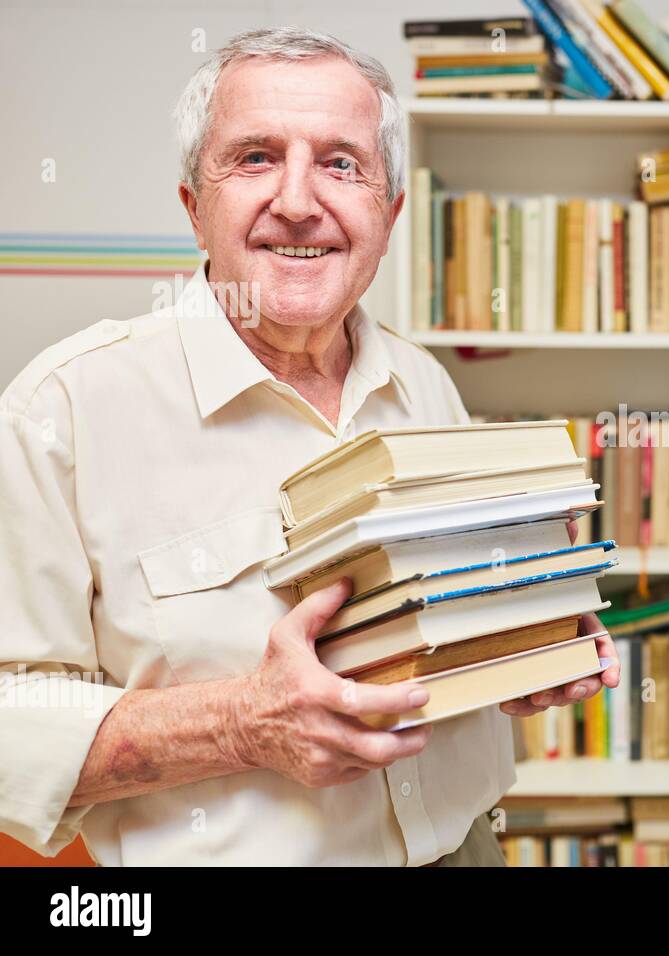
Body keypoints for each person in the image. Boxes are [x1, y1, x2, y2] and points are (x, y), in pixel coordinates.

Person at [0, 27, 618, 866]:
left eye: (341, 164)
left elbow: (443, 630)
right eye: (255, 157)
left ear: (389, 213)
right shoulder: (61, 410)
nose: (298, 201)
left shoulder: (426, 384)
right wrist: (243, 724)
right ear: (193, 205)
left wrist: (522, 641)